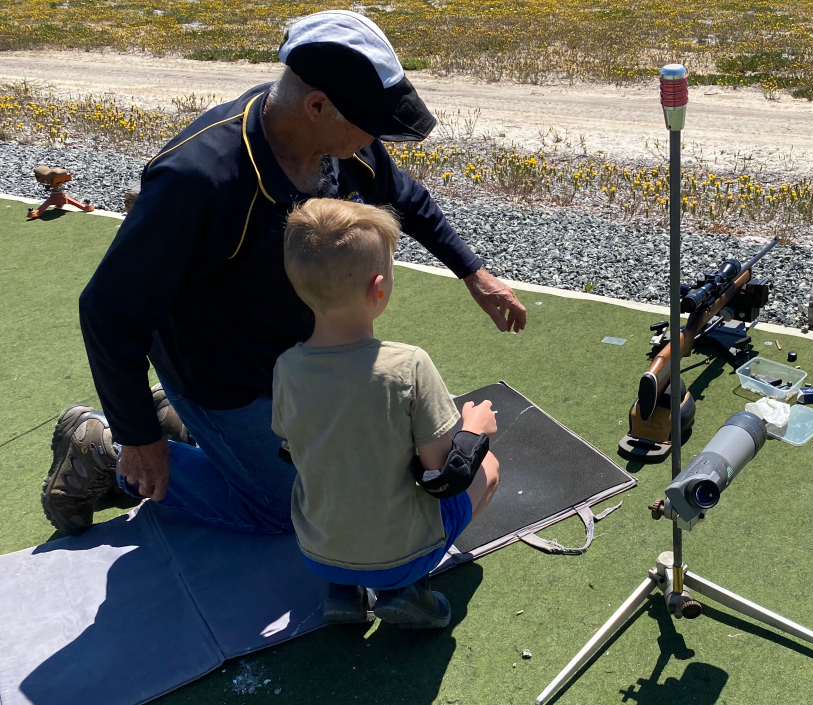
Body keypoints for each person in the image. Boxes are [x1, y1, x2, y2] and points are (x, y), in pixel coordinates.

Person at [40, 10, 525, 536]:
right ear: (317, 106)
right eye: (368, 122)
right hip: (222, 379)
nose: (376, 138)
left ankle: (178, 425)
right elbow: (109, 312)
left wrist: (473, 273)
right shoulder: (197, 179)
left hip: (299, 363)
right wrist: (138, 439)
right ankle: (102, 445)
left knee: (358, 467)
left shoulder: (340, 143)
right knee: (291, 511)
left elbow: (405, 195)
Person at [272, 199, 499, 627]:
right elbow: (443, 475)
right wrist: (475, 431)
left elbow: (293, 448)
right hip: (400, 555)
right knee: (488, 469)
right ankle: (406, 590)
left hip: (317, 553)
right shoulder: (409, 366)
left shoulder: (286, 367)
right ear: (379, 288)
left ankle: (344, 591)